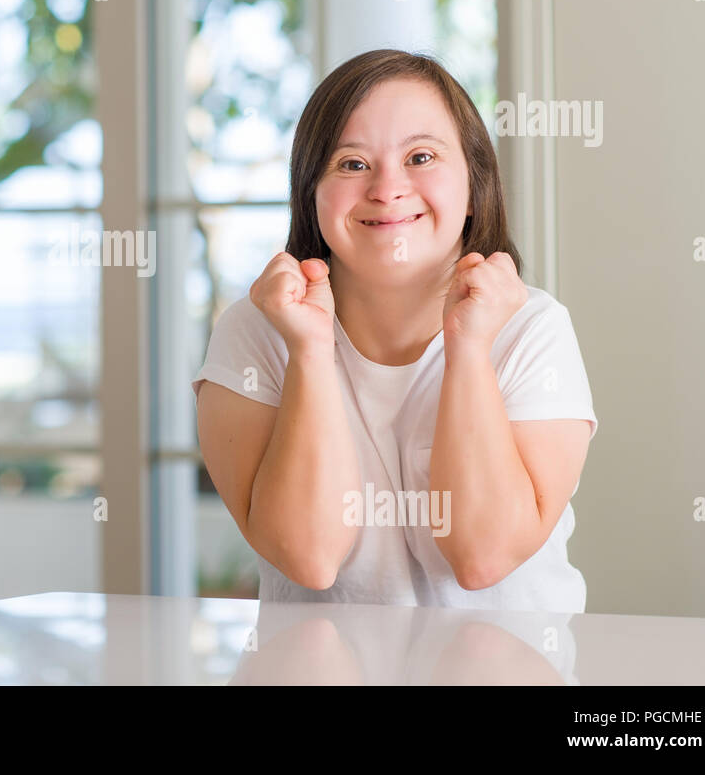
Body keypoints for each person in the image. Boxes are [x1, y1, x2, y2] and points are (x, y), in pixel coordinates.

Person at [191, 49, 598, 612]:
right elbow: (309, 557)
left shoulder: (534, 328)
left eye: (421, 156)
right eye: (352, 164)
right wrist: (310, 349)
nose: (387, 188)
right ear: (312, 194)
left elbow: (482, 556)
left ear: (475, 187)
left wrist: (471, 348)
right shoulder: (256, 332)